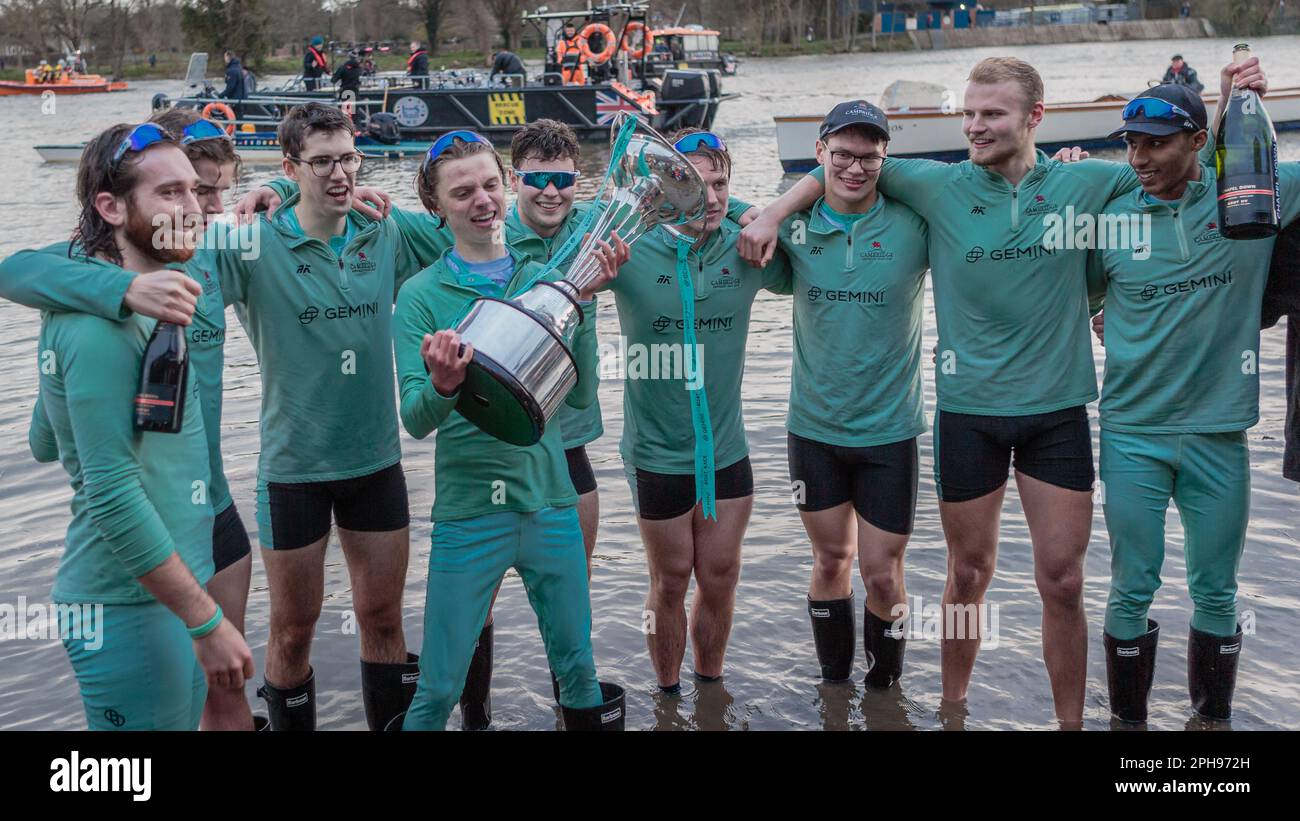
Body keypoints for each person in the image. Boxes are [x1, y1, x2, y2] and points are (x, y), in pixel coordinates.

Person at [744, 57, 1147, 727]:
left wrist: (1116, 297)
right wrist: (776, 210)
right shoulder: (936, 186)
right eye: (968, 112)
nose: (974, 126)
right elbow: (839, 166)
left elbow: (1169, 181)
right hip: (968, 414)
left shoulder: (1086, 181)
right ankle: (952, 710)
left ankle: (1072, 722)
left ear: (1033, 118)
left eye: (991, 114)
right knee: (966, 574)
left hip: (1058, 411)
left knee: (1065, 580)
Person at [0, 110, 262, 730]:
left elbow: (44, 440)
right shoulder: (100, 320)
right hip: (127, 603)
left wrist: (63, 387)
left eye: (195, 190)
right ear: (112, 207)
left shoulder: (144, 284)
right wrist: (204, 620)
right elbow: (112, 492)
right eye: (170, 192)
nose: (194, 207)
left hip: (168, 579)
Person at [391, 130, 628, 730]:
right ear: (438, 205)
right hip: (469, 515)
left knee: (579, 673)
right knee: (437, 688)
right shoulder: (420, 296)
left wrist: (585, 306)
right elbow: (416, 419)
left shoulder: (544, 276)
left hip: (551, 505)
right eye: (462, 191)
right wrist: (444, 384)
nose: (482, 200)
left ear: (506, 186)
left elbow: (577, 392)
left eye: (490, 184)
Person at [204, 102, 423, 731]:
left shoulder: (384, 229)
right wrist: (264, 191)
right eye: (320, 161)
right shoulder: (251, 241)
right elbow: (162, 249)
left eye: (347, 158)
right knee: (292, 629)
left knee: (383, 619)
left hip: (377, 464)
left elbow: (478, 226)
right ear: (291, 165)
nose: (339, 174)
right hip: (293, 469)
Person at [1090, 75, 1296, 724]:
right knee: (1130, 587)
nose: (1139, 159)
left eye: (1155, 144)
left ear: (1201, 142)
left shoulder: (1254, 198)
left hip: (1220, 434)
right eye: (1131, 144)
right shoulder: (1110, 221)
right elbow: (1071, 293)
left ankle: (1213, 725)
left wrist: (1243, 93)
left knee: (1217, 589)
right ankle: (1129, 728)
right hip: (1132, 435)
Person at [605, 128, 790, 695]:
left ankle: (710, 692)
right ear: (663, 189)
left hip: (728, 451)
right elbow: (573, 220)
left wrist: (753, 211)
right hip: (657, 454)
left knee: (721, 577)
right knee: (669, 581)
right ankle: (666, 695)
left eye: (721, 184)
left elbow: (816, 253)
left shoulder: (748, 244)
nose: (711, 198)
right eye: (695, 185)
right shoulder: (629, 246)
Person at [769, 101, 930, 687]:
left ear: (884, 159)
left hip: (890, 432)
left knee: (884, 574)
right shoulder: (791, 226)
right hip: (814, 429)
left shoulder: (915, 224)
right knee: (831, 560)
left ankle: (885, 692)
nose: (855, 168)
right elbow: (720, 227)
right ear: (821, 154)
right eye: (843, 155)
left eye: (869, 156)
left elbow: (988, 256)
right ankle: (833, 688)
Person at [556, 21, 586, 86]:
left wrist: (583, 59)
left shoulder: (581, 40)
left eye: (571, 30)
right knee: (564, 86)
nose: (570, 32)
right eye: (568, 31)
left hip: (578, 69)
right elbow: (559, 54)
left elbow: (586, 51)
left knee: (582, 85)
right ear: (565, 32)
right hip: (566, 70)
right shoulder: (561, 42)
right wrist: (560, 60)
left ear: (574, 31)